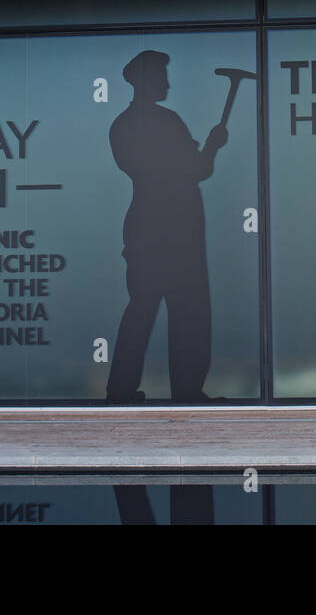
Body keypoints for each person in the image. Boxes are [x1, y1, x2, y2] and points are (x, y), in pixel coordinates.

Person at [106, 50, 227, 404]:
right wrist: (214, 147)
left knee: (143, 308)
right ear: (146, 80)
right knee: (184, 310)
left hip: (148, 225)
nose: (167, 83)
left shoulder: (123, 125)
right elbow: (196, 170)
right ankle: (185, 390)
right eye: (161, 76)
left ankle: (122, 389)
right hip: (176, 229)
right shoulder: (166, 122)